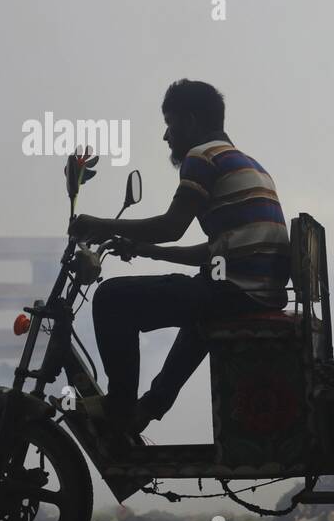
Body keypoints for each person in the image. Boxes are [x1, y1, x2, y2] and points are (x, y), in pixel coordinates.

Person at [69, 80, 291, 446]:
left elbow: (172, 227)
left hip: (235, 291)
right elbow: (216, 250)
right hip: (253, 291)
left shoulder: (202, 157)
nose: (166, 136)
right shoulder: (246, 163)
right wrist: (141, 248)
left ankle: (121, 409)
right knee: (197, 304)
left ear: (190, 121)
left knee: (111, 298)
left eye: (170, 124)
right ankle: (147, 408)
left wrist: (99, 224)